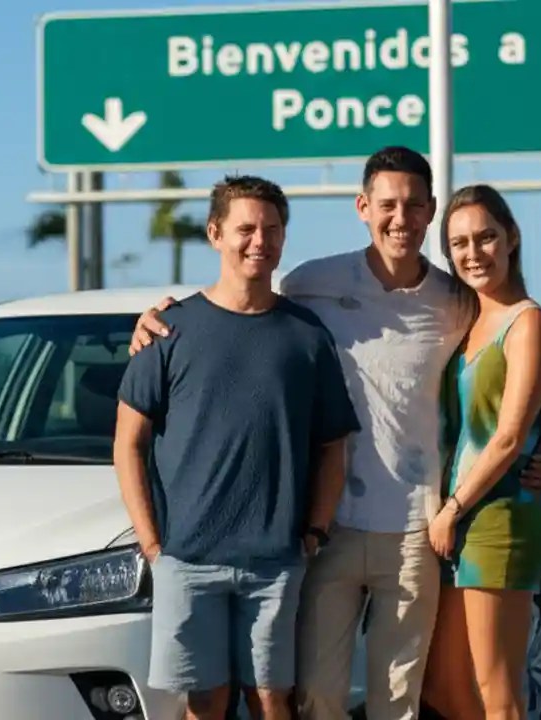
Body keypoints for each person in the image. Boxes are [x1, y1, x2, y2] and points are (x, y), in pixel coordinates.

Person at [127, 147, 541, 720]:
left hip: (416, 531)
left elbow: (504, 376)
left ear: (429, 212)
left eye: (412, 206)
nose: (399, 218)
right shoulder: (312, 284)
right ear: (362, 207)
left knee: (396, 702)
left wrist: (540, 448)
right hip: (329, 532)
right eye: (386, 205)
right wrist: (155, 316)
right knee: (318, 698)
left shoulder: (455, 302)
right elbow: (239, 311)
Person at [113, 174, 361, 720]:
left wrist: (314, 534)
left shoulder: (306, 335)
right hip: (188, 558)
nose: (259, 241)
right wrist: (154, 545)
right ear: (215, 234)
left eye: (271, 230)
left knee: (273, 700)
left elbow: (332, 446)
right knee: (204, 702)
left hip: (275, 562)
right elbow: (127, 444)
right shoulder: (168, 332)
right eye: (245, 229)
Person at [420, 184, 541, 720]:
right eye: (459, 243)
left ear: (511, 238)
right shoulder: (467, 319)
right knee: (443, 686)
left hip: (499, 521)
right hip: (463, 523)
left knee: (499, 694)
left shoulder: (528, 322)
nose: (473, 253)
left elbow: (507, 435)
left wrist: (451, 509)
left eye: (485, 238)